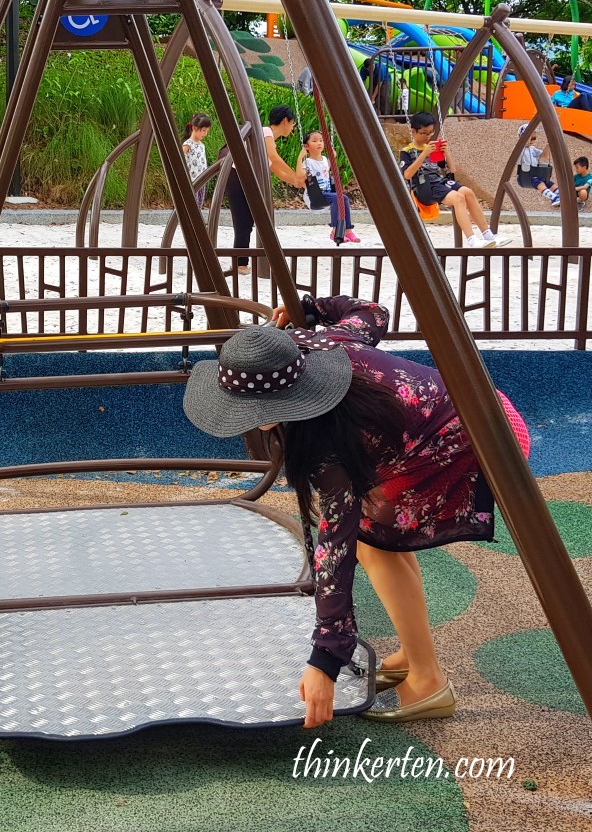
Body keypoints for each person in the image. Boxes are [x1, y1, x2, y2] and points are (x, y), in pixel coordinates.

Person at [182, 294, 530, 726]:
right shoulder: (323, 342)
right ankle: (414, 652)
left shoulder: (329, 443)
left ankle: (428, 680)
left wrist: (325, 658)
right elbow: (372, 312)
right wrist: (311, 309)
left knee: (366, 543)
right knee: (378, 544)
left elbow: (333, 546)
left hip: (471, 438)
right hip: (472, 410)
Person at [399, 112, 510, 248]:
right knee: (458, 198)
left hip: (439, 181)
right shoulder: (407, 151)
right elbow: (407, 174)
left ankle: (487, 234)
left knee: (468, 192)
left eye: (430, 133)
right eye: (424, 133)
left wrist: (446, 153)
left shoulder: (433, 147)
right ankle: (472, 240)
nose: (428, 137)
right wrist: (424, 154)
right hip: (424, 187)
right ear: (414, 132)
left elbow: (451, 170)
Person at [226, 104, 307, 274]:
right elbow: (273, 158)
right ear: (285, 121)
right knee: (243, 221)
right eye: (292, 124)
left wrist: (297, 181)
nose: (292, 128)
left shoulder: (267, 140)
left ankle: (241, 262)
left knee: (247, 222)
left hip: (244, 179)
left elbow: (277, 170)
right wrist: (294, 173)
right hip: (237, 177)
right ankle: (240, 264)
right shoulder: (265, 132)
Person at [296, 130, 361, 243]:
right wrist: (299, 158)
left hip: (327, 194)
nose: (319, 143)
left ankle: (348, 230)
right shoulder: (308, 162)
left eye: (321, 140)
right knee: (338, 198)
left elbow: (326, 169)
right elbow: (300, 176)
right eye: (315, 141)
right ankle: (335, 231)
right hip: (315, 196)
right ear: (306, 146)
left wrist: (333, 157)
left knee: (344, 198)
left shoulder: (325, 159)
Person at [515, 123, 560, 206]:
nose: (533, 141)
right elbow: (519, 148)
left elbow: (544, 156)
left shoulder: (532, 149)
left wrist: (548, 145)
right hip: (524, 176)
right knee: (539, 183)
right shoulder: (520, 149)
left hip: (534, 175)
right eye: (531, 138)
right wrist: (525, 139)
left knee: (548, 182)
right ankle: (553, 197)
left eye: (534, 138)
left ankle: (559, 194)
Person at [181, 114, 211, 208]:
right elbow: (180, 159)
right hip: (191, 181)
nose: (205, 133)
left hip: (202, 180)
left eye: (207, 131)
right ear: (194, 128)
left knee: (199, 204)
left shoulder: (202, 145)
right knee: (191, 205)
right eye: (203, 130)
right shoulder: (188, 144)